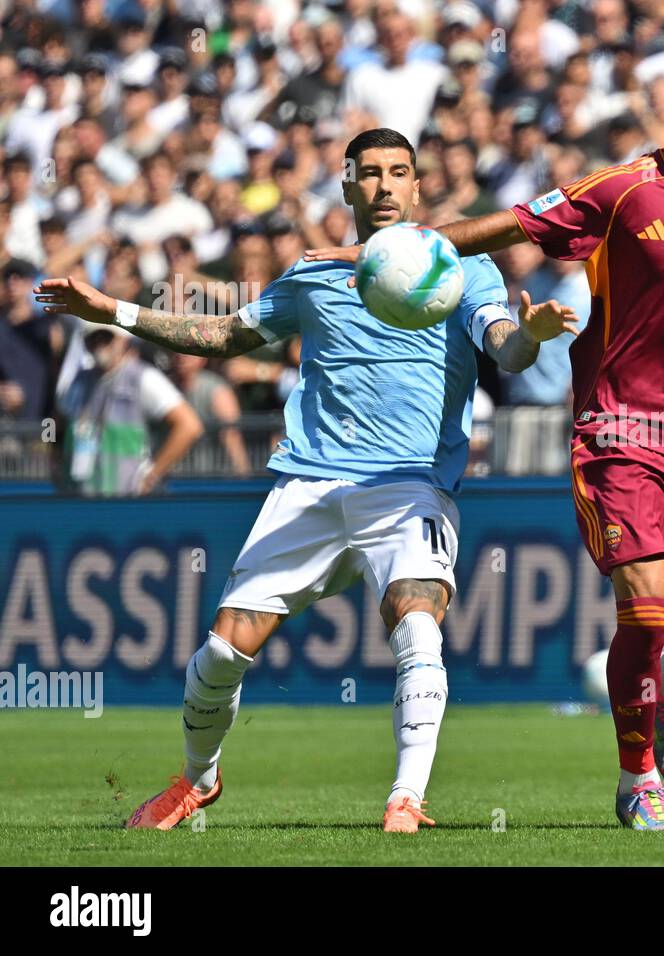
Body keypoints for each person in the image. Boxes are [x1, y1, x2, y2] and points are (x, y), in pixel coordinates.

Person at [318, 51, 664, 830]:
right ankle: (636, 783)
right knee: (648, 609)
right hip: (621, 433)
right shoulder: (621, 192)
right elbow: (512, 222)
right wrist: (399, 250)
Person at [35, 128, 578, 832]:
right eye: (371, 175)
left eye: (399, 173)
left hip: (408, 484)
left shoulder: (459, 265)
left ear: (418, 186)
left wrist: (529, 335)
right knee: (223, 650)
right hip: (310, 485)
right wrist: (114, 311)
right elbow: (225, 335)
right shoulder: (316, 274)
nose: (385, 187)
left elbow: (501, 342)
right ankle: (198, 781)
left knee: (416, 621)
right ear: (348, 187)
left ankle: (406, 798)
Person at [58, 324, 203, 496]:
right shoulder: (78, 381)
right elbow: (56, 423)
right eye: (93, 338)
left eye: (106, 338)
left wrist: (151, 475)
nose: (99, 344)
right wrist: (54, 463)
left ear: (123, 340)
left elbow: (190, 426)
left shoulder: (143, 378)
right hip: (83, 499)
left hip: (130, 503)